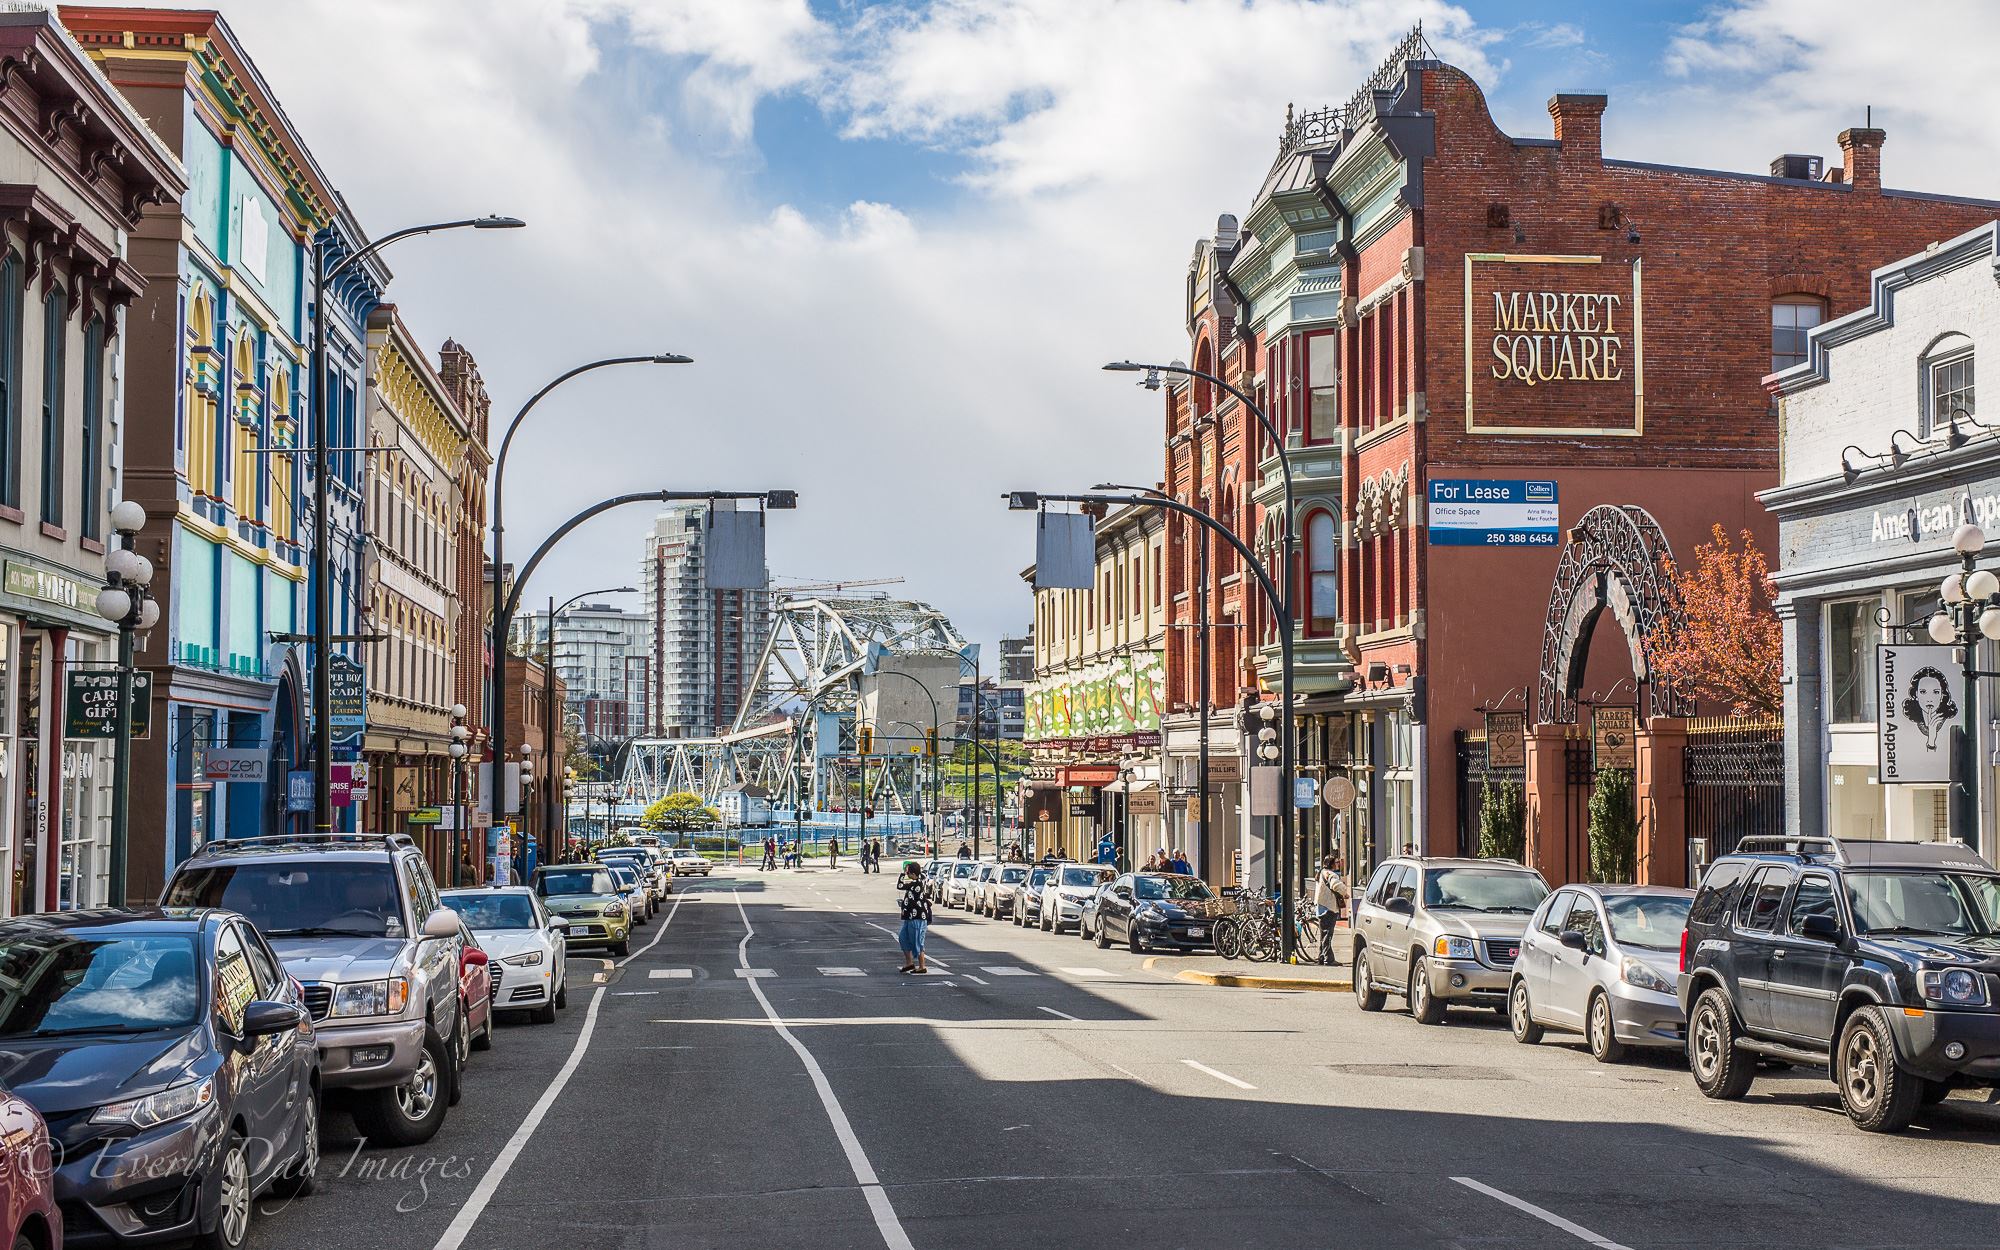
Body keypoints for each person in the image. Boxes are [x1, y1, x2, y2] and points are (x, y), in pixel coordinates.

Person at [1313, 853, 1349, 966]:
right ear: (1332, 864)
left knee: (1323, 934)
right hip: (1329, 906)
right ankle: (1328, 959)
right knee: (1328, 934)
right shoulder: (1331, 874)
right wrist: (1345, 893)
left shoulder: (1321, 872)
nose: (1338, 864)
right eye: (1337, 862)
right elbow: (1335, 885)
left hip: (1320, 906)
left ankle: (1321, 956)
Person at [896, 861, 932, 974]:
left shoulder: (916, 884)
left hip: (917, 917)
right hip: (909, 917)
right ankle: (909, 963)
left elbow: (900, 886)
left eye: (908, 872)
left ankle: (922, 966)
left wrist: (902, 874)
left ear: (912, 873)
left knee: (917, 942)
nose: (907, 874)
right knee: (903, 938)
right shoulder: (917, 881)